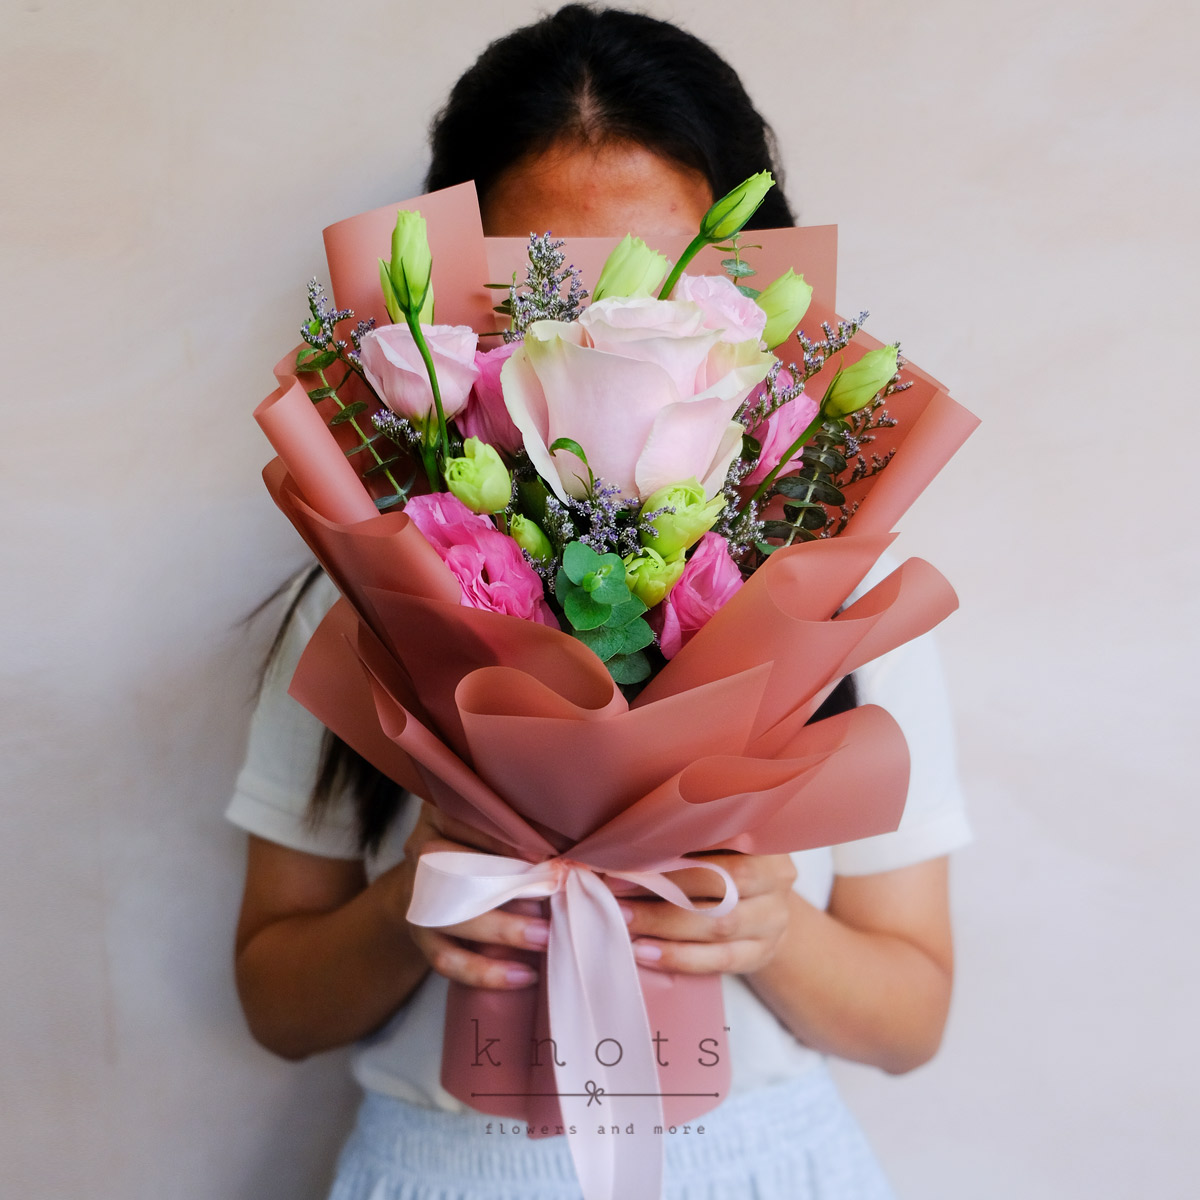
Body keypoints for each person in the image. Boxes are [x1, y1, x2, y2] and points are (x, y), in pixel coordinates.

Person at [228, 7, 972, 1198]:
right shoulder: (357, 600)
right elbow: (277, 1005)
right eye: (551, 293)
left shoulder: (836, 610)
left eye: (664, 294)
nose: (607, 339)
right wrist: (415, 908)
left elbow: (912, 1018)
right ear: (459, 305)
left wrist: (774, 932)